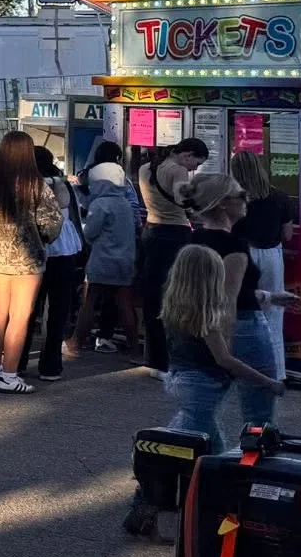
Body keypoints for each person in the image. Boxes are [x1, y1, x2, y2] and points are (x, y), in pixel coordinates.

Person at [158, 239, 287, 448]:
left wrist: (271, 297)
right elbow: (225, 359)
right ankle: (151, 467)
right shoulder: (205, 316)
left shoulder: (175, 304)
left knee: (207, 443)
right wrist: (268, 382)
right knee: (183, 440)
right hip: (203, 386)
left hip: (179, 376)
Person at [0, 131, 65, 394]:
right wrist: (43, 238)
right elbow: (52, 223)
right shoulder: (35, 184)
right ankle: (10, 375)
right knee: (20, 315)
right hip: (26, 257)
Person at [136, 136, 207, 370]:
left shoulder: (145, 168)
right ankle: (171, 358)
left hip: (151, 231)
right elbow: (183, 199)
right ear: (186, 155)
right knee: (175, 297)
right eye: (195, 163)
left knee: (152, 297)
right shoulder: (177, 171)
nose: (194, 168)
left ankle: (153, 357)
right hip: (175, 235)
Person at [69, 140, 141, 359]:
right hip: (125, 257)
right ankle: (133, 344)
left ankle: (76, 342)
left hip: (102, 258)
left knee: (89, 301)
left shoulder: (100, 204)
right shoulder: (125, 204)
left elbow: (90, 233)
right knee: (124, 302)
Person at [230, 149, 295, 380]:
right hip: (271, 256)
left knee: (243, 309)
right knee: (274, 312)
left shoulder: (233, 199)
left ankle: (244, 368)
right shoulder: (280, 197)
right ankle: (277, 371)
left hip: (242, 255)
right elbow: (287, 234)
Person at [25, 147, 86, 381]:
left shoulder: (26, 183)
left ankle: (18, 361)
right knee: (58, 311)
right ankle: (51, 366)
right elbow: (70, 211)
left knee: (27, 310)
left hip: (34, 248)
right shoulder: (61, 183)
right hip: (64, 249)